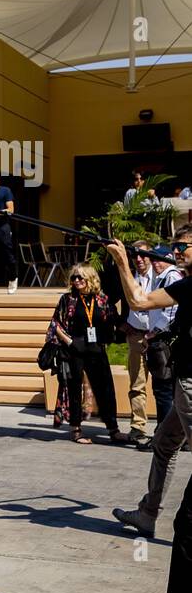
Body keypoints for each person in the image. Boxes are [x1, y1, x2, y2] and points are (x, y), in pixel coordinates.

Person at [109, 229, 192, 539]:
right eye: (175, 246)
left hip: (190, 386)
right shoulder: (185, 284)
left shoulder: (189, 285)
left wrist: (122, 262)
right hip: (185, 383)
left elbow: (139, 301)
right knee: (164, 444)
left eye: (183, 246)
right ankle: (147, 514)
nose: (177, 251)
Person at [53, 263, 124, 445]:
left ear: (90, 279)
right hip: (75, 351)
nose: (76, 281)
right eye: (74, 277)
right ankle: (76, 430)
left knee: (106, 389)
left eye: (80, 277)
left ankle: (113, 429)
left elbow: (113, 321)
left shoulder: (101, 300)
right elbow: (56, 325)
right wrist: (70, 342)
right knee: (75, 388)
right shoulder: (68, 299)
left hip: (97, 350)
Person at [138, 242, 184, 441]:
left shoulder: (171, 276)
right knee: (164, 390)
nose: (156, 263)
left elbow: (170, 312)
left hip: (163, 339)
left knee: (164, 390)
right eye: (154, 259)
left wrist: (154, 333)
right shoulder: (162, 277)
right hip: (159, 338)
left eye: (161, 258)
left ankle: (164, 436)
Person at [121, 241, 155, 444]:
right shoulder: (127, 278)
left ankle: (167, 428)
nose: (139, 259)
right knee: (137, 384)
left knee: (164, 384)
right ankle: (138, 426)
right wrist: (121, 323)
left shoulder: (161, 278)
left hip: (158, 337)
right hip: (136, 335)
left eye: (143, 255)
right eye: (135, 255)